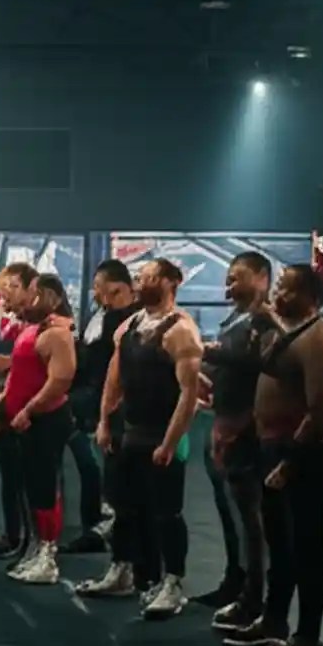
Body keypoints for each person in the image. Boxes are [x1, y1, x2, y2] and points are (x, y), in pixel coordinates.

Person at [224, 264, 323, 646]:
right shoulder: (287, 330)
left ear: (310, 295)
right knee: (280, 544)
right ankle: (274, 620)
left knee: (306, 545)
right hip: (270, 448)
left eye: (287, 289)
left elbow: (319, 411)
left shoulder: (318, 340)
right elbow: (265, 366)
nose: (277, 294)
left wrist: (291, 463)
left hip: (298, 455)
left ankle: (308, 638)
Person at [83, 259, 203, 620]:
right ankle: (124, 570)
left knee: (166, 513)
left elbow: (189, 394)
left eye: (153, 277)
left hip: (163, 434)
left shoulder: (181, 331)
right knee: (125, 507)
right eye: (142, 277)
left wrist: (170, 442)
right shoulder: (130, 325)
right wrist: (105, 421)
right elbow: (113, 380)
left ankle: (172, 582)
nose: (145, 282)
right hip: (130, 430)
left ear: (172, 283)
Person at [200, 252, 274, 627]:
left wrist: (239, 427)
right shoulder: (234, 319)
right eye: (228, 278)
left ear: (262, 277)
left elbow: (260, 373)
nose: (229, 285)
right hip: (221, 424)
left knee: (251, 520)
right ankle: (235, 580)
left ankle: (253, 598)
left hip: (244, 433)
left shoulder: (264, 322)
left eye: (237, 277)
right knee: (230, 513)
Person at [0, 273, 78, 584]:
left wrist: (29, 409)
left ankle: (48, 556)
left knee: (44, 488)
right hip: (23, 422)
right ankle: (37, 547)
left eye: (30, 293)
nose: (24, 299)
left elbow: (61, 380)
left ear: (46, 297)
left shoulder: (57, 334)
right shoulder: (30, 329)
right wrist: (2, 404)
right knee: (30, 486)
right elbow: (19, 371)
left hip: (46, 420)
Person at [63, 260, 138, 555]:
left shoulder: (130, 322)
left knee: (115, 472)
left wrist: (107, 412)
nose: (96, 292)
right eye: (95, 287)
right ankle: (97, 526)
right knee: (96, 468)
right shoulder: (100, 315)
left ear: (118, 287)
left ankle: (112, 536)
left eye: (100, 287)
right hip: (90, 402)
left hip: (116, 408)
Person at [0, 262, 39, 559]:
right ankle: (12, 533)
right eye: (4, 288)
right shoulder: (7, 323)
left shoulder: (37, 326)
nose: (7, 295)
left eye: (14, 287)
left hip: (19, 411)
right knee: (9, 476)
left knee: (26, 479)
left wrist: (0, 365)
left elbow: (29, 367)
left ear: (31, 289)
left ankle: (31, 541)